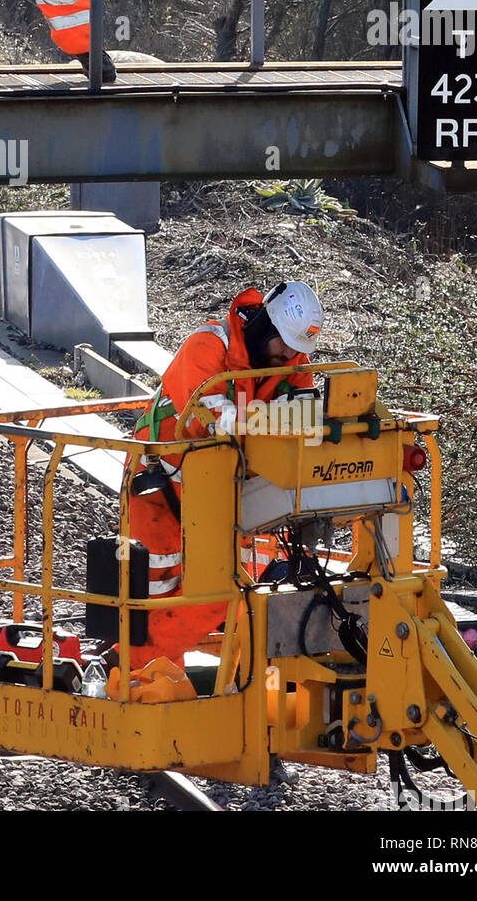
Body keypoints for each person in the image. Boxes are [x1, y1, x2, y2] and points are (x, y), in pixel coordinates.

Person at [124, 281, 324, 667]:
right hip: (160, 482)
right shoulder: (209, 344)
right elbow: (214, 418)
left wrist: (274, 422)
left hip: (228, 489)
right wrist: (272, 421)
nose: (289, 356)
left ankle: (209, 679)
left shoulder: (292, 362)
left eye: (297, 349)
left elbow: (306, 421)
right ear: (265, 325)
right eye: (284, 344)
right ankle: (139, 671)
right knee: (158, 587)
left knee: (235, 588)